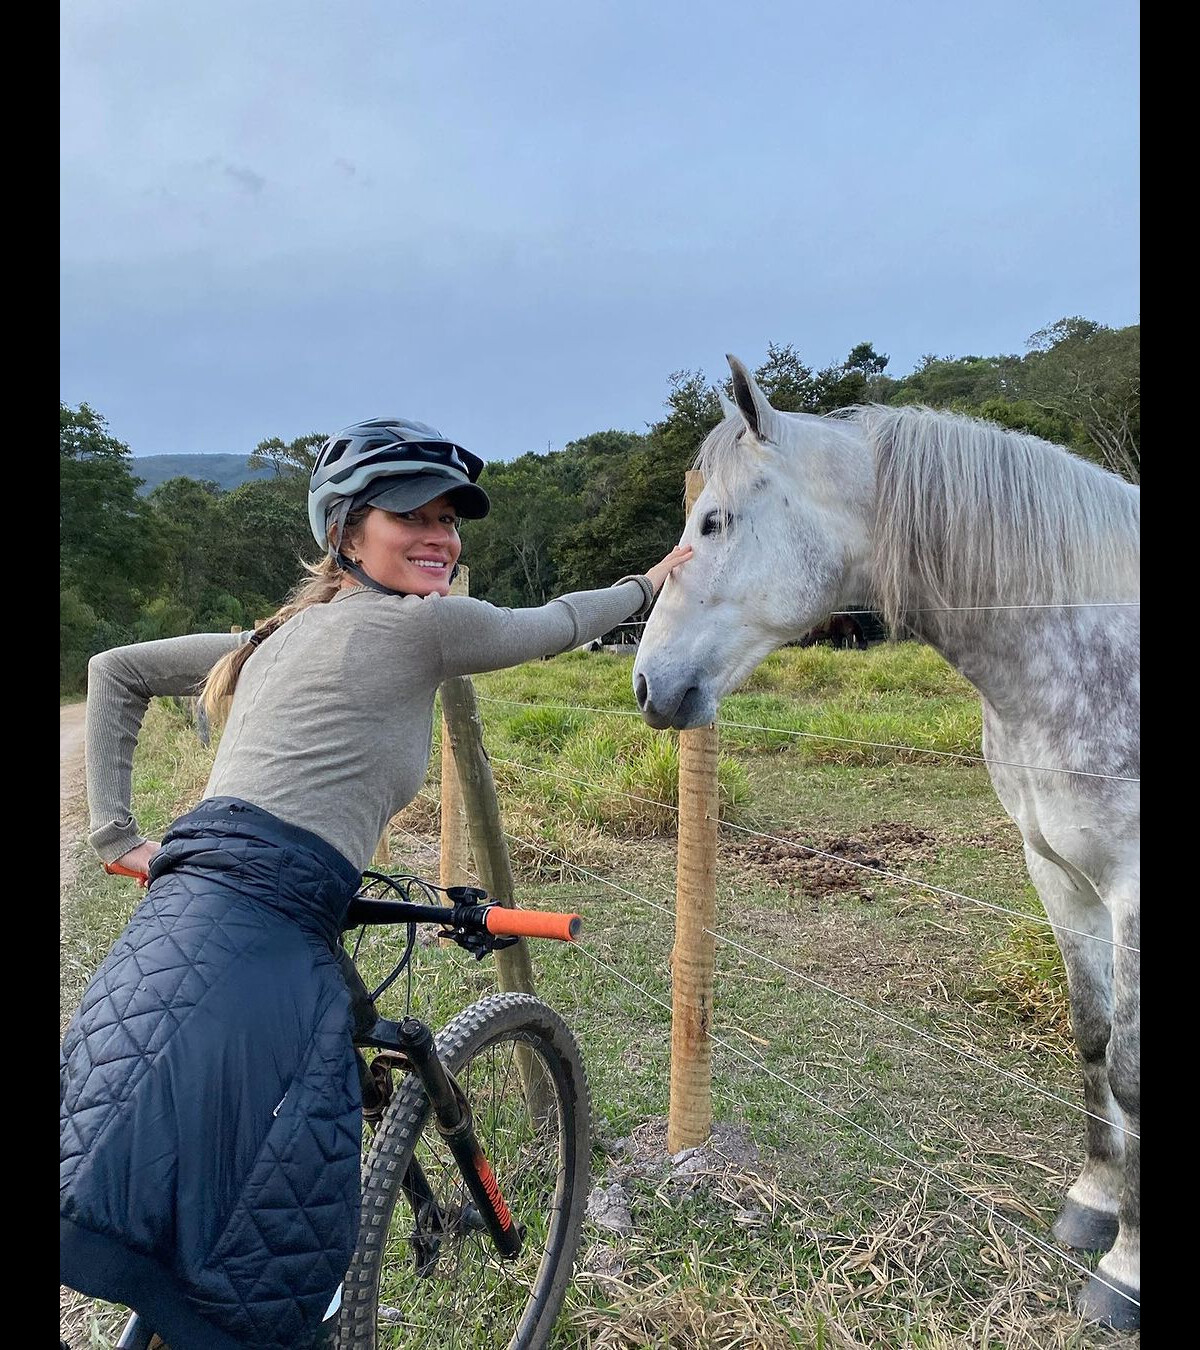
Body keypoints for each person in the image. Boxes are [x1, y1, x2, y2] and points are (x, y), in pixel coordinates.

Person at [60, 416, 693, 1350]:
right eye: (413, 517)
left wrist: (120, 836)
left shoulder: (273, 635)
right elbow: (558, 622)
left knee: (167, 1161)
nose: (441, 538)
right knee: (281, 1191)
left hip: (196, 897)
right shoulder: (422, 628)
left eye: (451, 520)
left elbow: (115, 669)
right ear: (346, 533)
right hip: (264, 909)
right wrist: (652, 579)